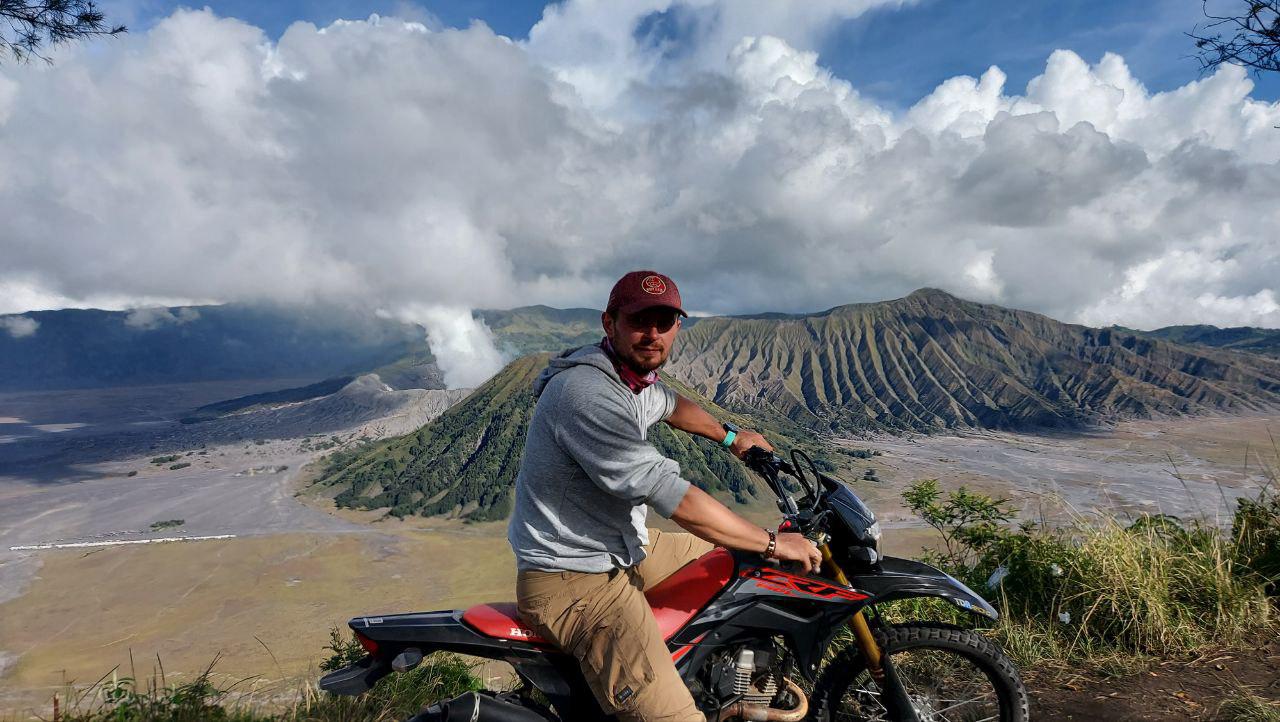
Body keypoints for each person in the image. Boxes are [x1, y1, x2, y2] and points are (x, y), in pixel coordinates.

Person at [507, 270, 823, 721]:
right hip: (575, 580)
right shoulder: (586, 393)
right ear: (609, 323)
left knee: (746, 569)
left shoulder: (630, 378)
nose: (652, 334)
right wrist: (772, 541)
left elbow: (672, 405)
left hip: (628, 548)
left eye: (664, 321)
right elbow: (672, 495)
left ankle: (731, 681)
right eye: (639, 321)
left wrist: (731, 437)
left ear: (678, 327)